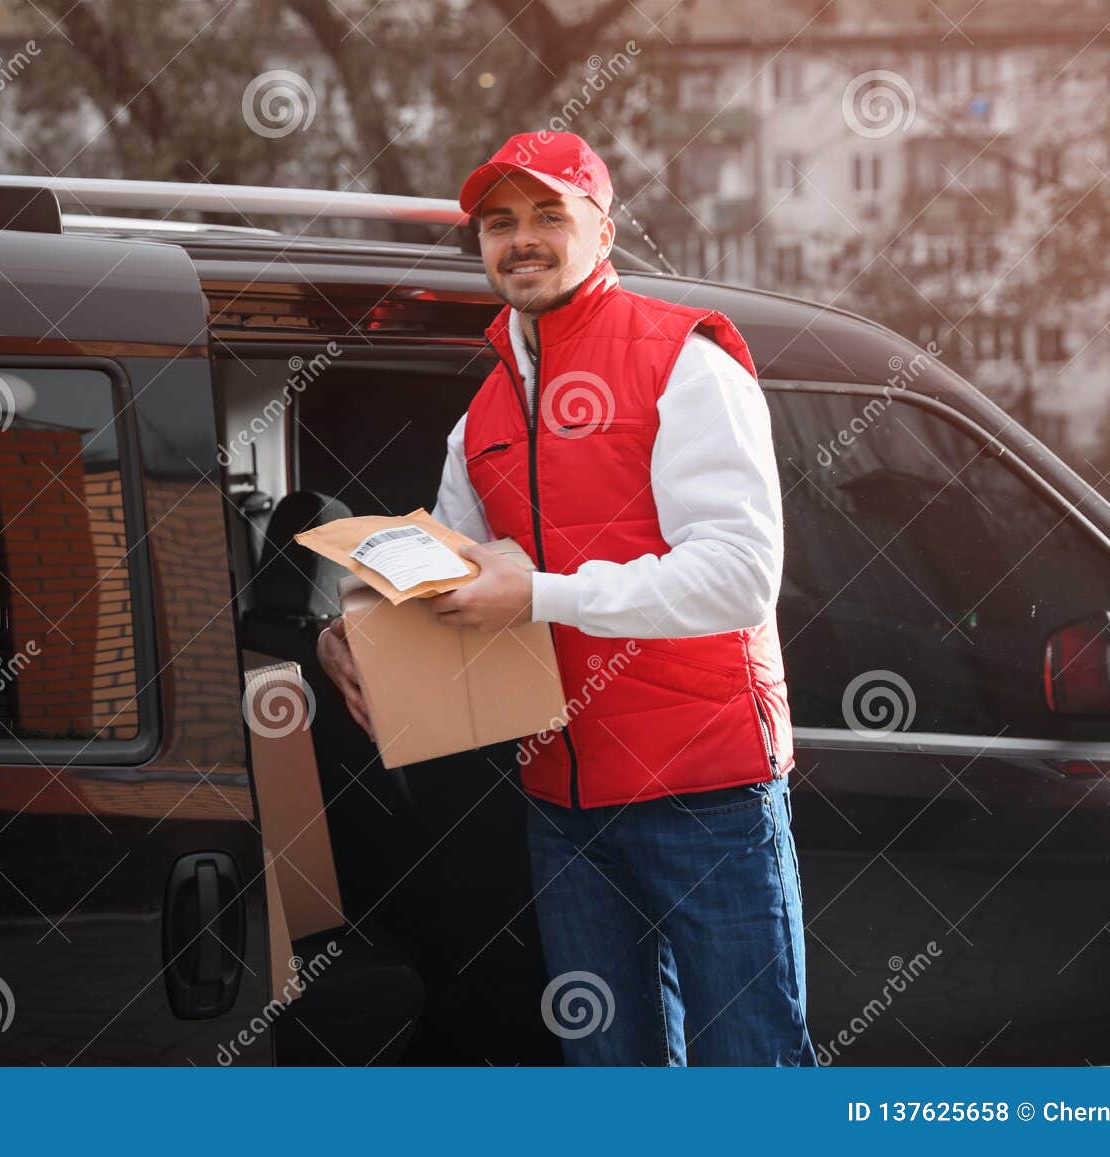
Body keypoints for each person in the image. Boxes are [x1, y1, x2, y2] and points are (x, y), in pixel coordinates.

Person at [317, 131, 814, 1067]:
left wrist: (539, 592)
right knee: (610, 1076)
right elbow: (448, 569)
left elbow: (742, 574)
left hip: (706, 789)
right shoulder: (484, 416)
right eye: (499, 222)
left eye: (550, 214)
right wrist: (350, 626)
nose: (522, 238)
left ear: (604, 228)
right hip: (563, 800)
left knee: (752, 1066)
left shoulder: (686, 361)